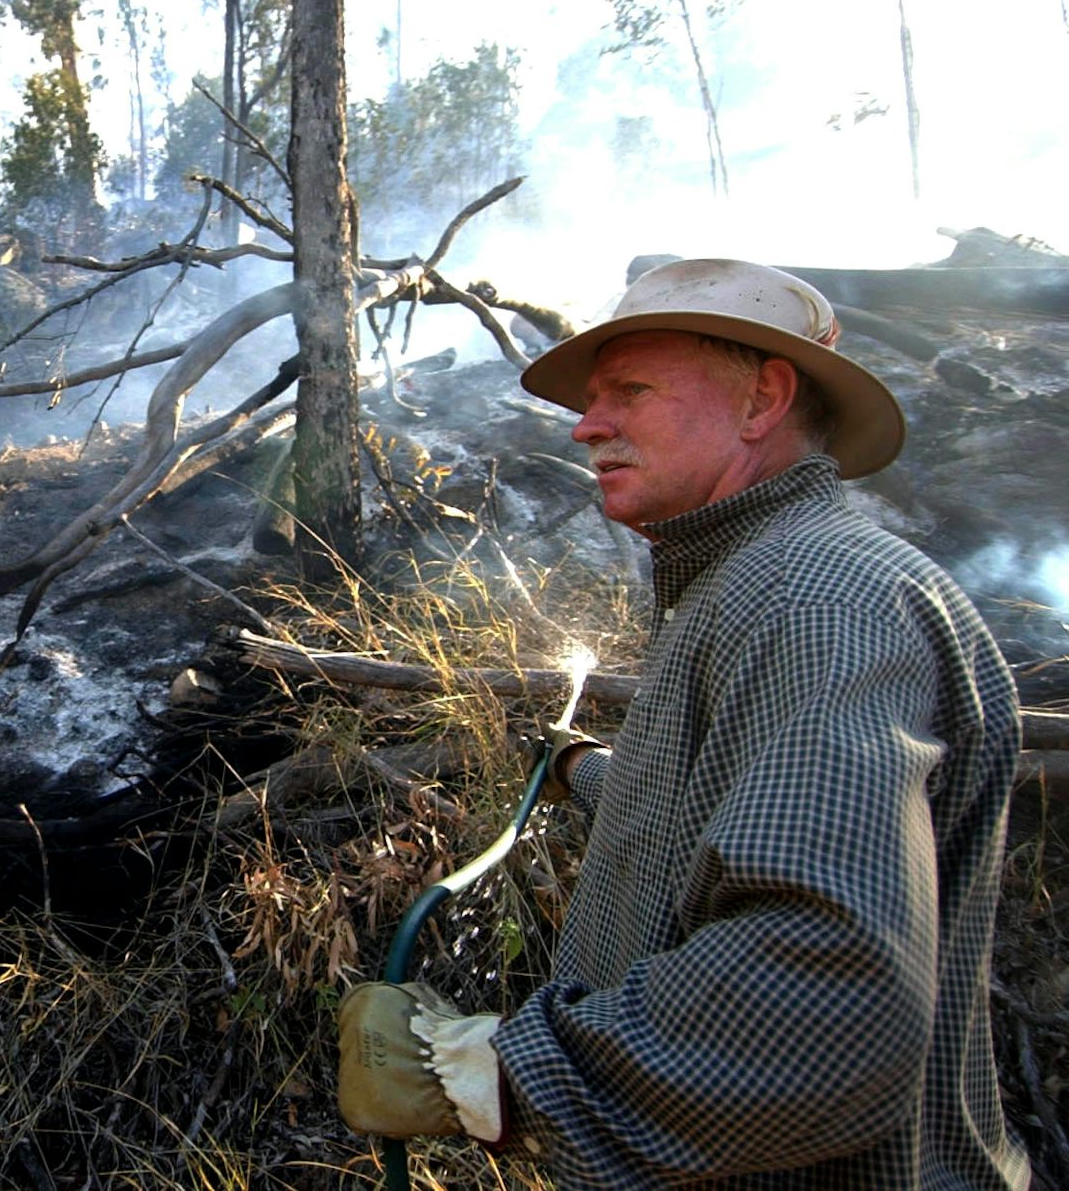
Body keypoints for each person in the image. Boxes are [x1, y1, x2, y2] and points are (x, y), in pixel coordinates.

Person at [337, 259, 1031, 1187]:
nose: (587, 426)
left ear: (762, 402)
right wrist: (585, 767)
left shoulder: (812, 598)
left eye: (630, 390)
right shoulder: (751, 581)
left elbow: (824, 995)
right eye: (593, 399)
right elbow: (730, 811)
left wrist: (491, 1074)